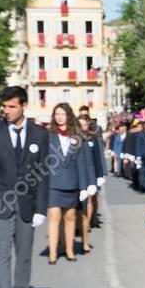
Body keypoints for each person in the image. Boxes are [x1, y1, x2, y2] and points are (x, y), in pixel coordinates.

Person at [0, 87, 51, 288]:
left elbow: (43, 173)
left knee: (24, 253)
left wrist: (41, 208)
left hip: (27, 205)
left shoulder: (40, 134)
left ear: (23, 106)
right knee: (2, 252)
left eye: (11, 106)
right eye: (5, 106)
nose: (6, 110)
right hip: (1, 204)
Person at [45, 103, 96, 264]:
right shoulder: (48, 136)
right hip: (53, 183)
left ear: (69, 116)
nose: (59, 117)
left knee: (70, 217)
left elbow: (85, 162)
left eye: (63, 114)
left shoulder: (78, 137)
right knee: (54, 216)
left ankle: (69, 249)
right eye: (56, 114)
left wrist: (87, 185)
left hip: (72, 183)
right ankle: (53, 252)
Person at [76, 110, 105, 251]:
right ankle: (79, 224)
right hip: (78, 173)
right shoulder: (74, 138)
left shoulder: (93, 138)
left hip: (92, 172)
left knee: (89, 200)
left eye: (85, 124)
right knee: (79, 202)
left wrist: (101, 174)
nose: (83, 127)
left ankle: (87, 223)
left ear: (88, 125)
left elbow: (99, 156)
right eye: (80, 124)